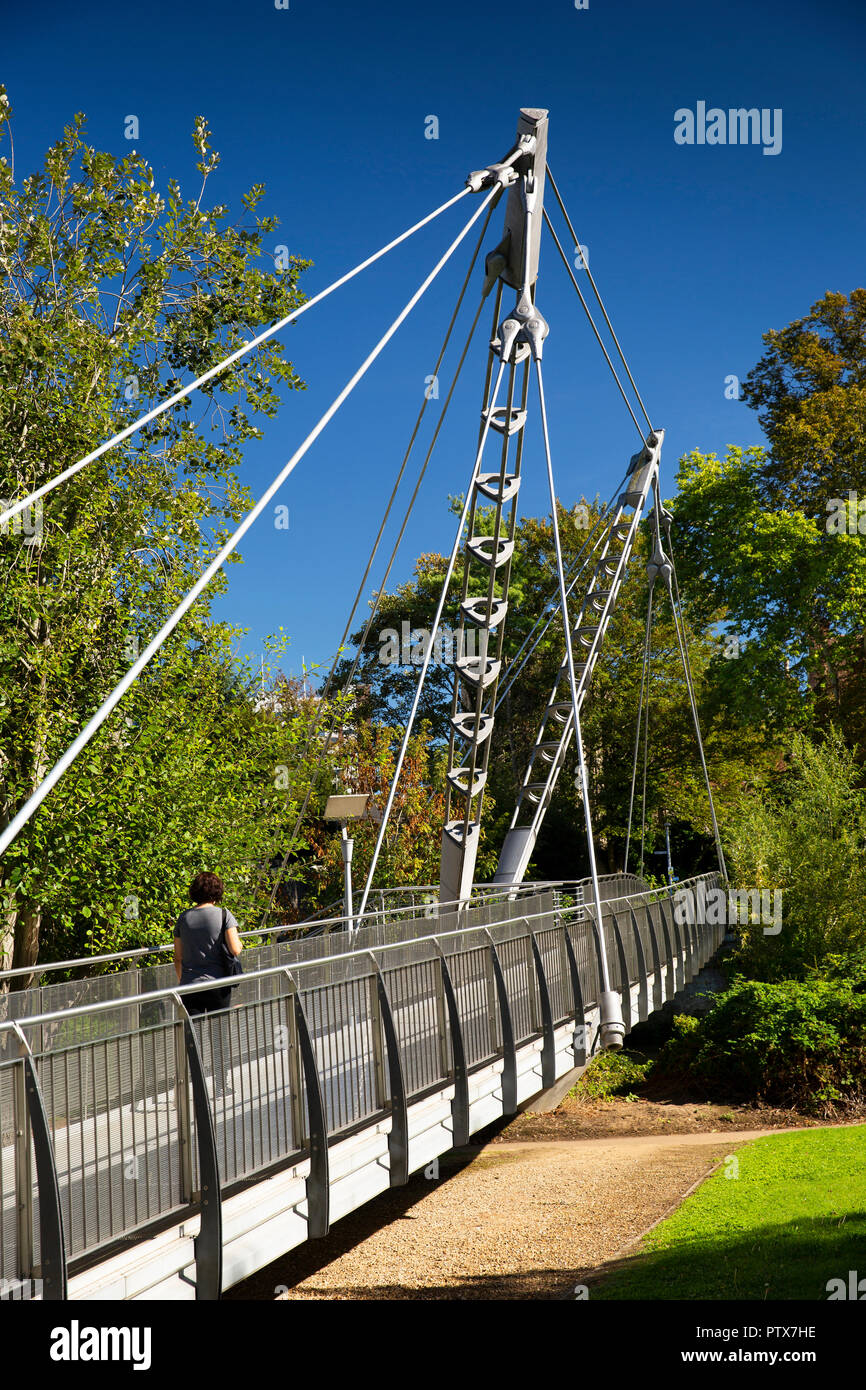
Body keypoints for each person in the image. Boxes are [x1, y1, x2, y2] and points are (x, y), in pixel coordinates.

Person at [174, 871, 242, 1099]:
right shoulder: (224, 915)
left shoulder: (183, 918)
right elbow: (235, 949)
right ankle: (222, 1087)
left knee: (191, 1037)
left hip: (189, 987)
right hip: (218, 986)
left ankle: (190, 1088)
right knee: (219, 1036)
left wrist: (182, 980)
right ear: (217, 891)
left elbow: (178, 956)